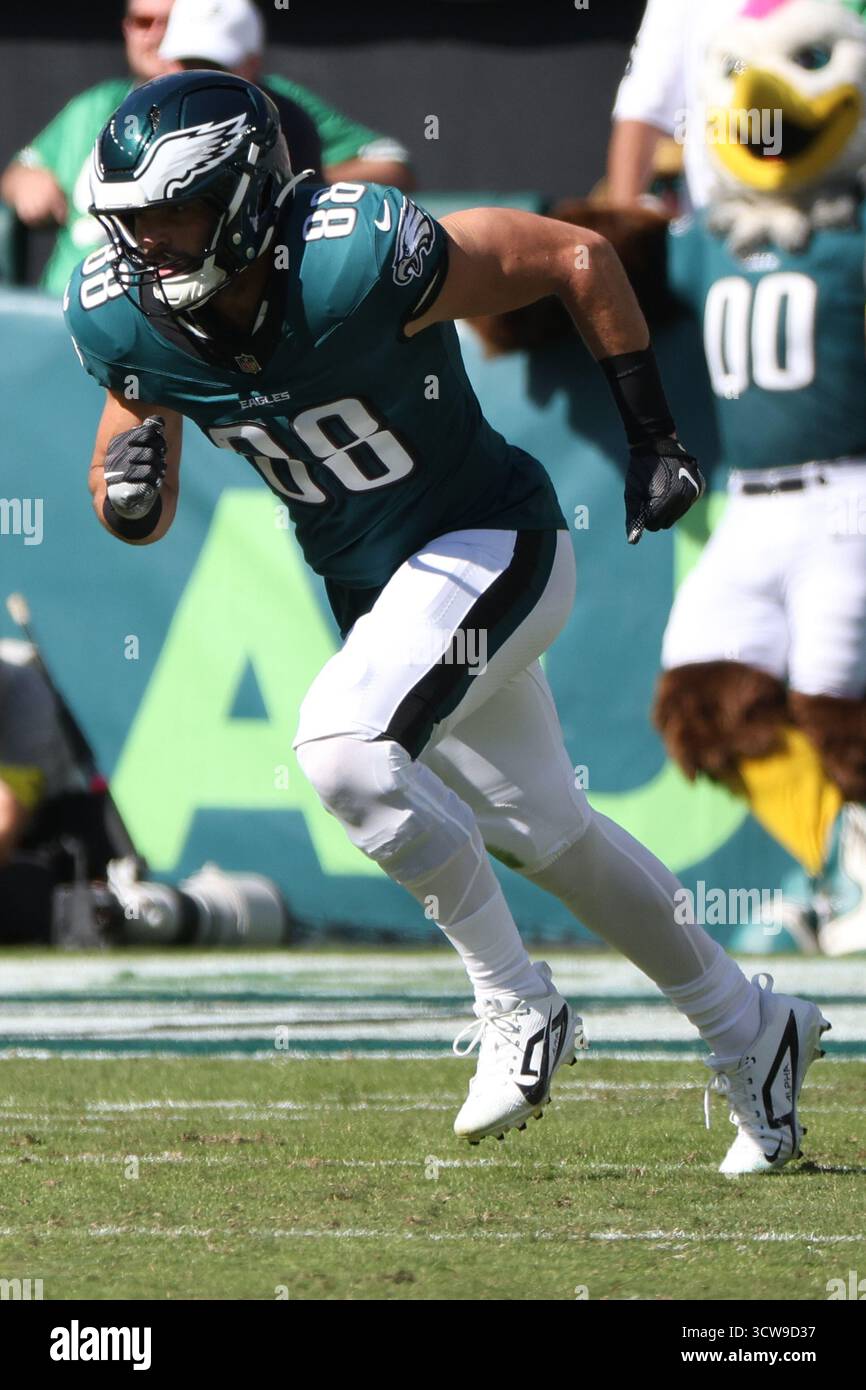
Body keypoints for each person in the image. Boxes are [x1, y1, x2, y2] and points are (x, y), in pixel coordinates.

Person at [64, 70, 830, 1171]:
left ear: (241, 194)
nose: (148, 244)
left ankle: (517, 1002)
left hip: (490, 541)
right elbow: (125, 481)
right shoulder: (124, 310)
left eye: (170, 213)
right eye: (128, 220)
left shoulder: (356, 250)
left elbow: (575, 255)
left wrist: (653, 437)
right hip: (387, 594)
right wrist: (125, 496)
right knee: (549, 837)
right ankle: (748, 1027)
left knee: (340, 751)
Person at [0, 0, 175, 297]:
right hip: (63, 305)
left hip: (158, 312)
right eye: (144, 23)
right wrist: (26, 178)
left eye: (170, 23)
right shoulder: (95, 106)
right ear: (127, 29)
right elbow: (20, 168)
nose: (156, 35)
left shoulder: (240, 107)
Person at [158, 0, 412, 190]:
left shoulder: (286, 114)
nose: (201, 79)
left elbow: (393, 166)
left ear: (253, 63)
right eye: (187, 64)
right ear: (166, 60)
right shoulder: (134, 112)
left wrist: (291, 179)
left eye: (216, 67)